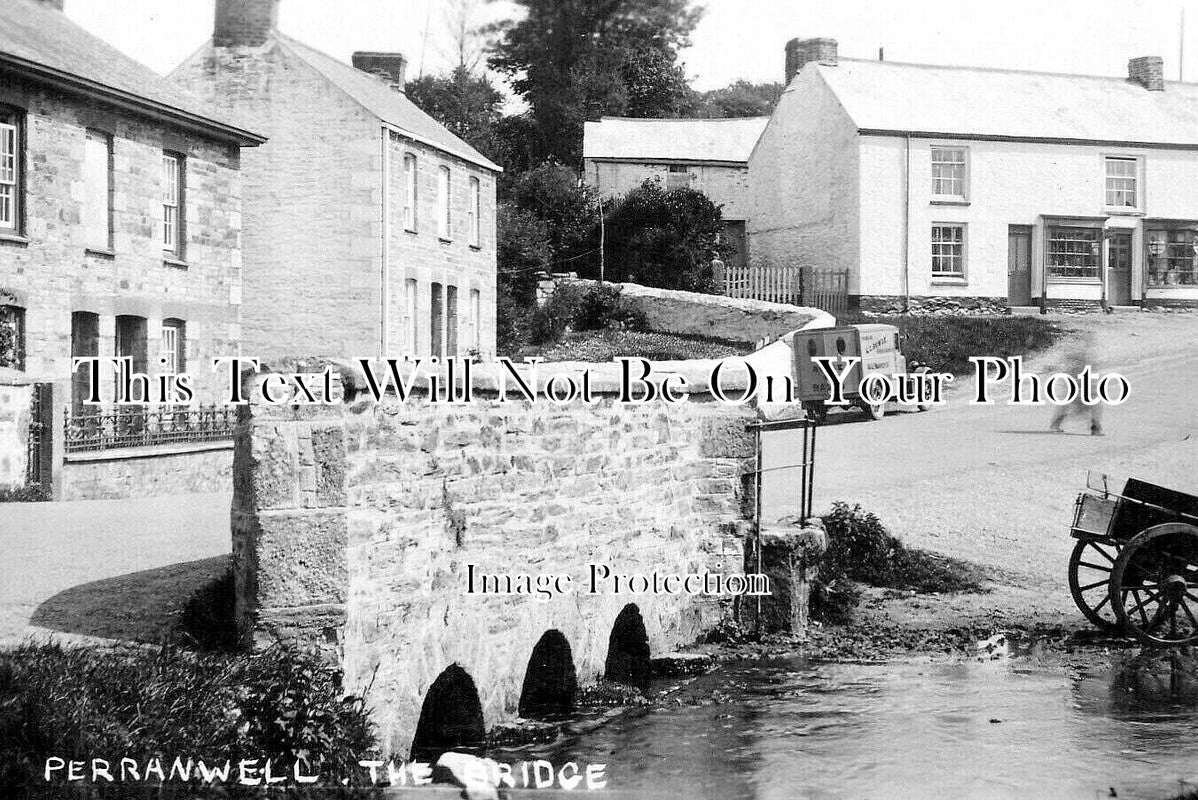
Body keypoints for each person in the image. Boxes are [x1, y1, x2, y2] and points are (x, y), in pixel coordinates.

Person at [1049, 332, 1104, 436]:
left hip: (1078, 380)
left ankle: (1056, 424)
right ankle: (1095, 426)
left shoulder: (1078, 351)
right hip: (1080, 381)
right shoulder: (1081, 352)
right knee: (1092, 402)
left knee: (1068, 401)